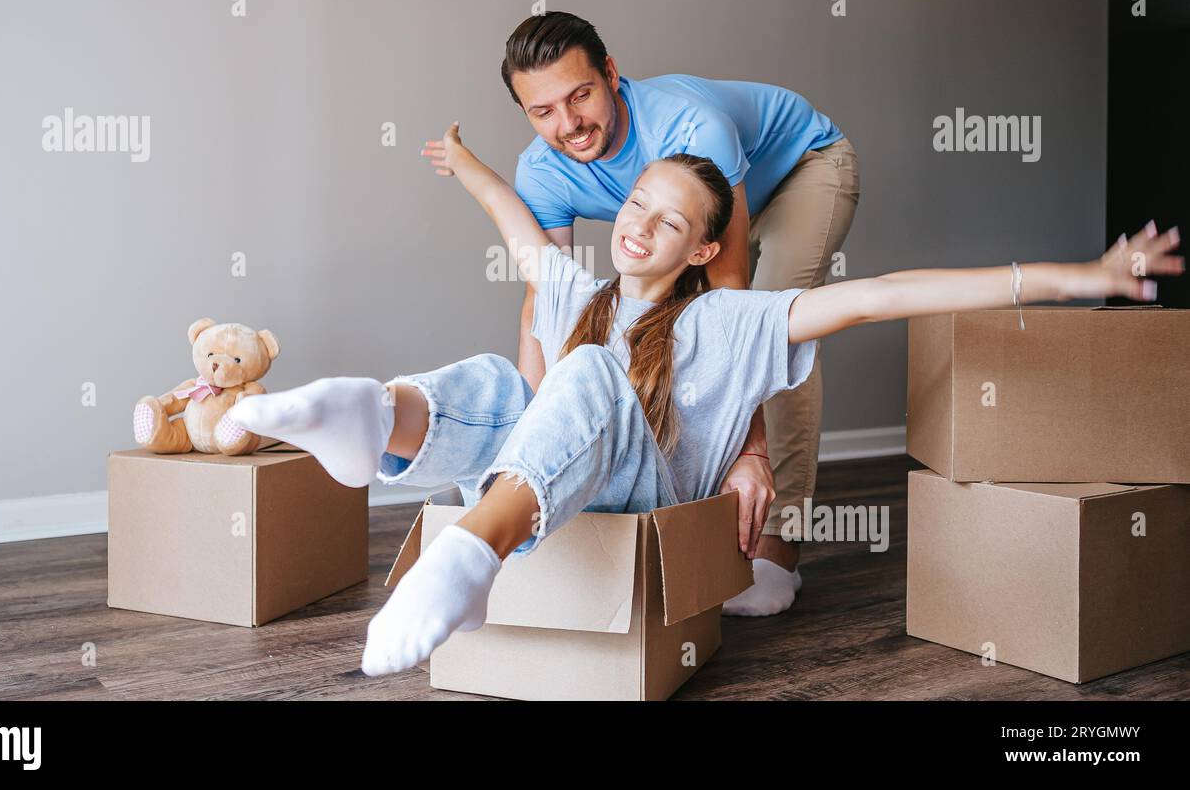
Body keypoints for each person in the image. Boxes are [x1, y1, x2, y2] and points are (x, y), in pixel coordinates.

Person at [225, 123, 1181, 678]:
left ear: (703, 250)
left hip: (645, 509)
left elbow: (883, 295)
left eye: (671, 220)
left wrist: (1081, 275)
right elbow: (514, 224)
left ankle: (471, 553)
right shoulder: (578, 294)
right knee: (500, 379)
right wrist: (466, 162)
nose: (641, 225)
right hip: (553, 486)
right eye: (637, 202)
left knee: (582, 374)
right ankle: (371, 418)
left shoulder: (731, 322)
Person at [502, 11, 859, 615]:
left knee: (775, 328)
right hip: (697, 215)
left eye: (580, 95)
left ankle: (778, 544)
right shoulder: (540, 170)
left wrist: (751, 452)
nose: (568, 125)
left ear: (611, 73)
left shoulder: (691, 127)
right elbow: (546, 298)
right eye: (543, 112)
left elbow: (732, 299)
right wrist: (531, 435)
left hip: (804, 169)